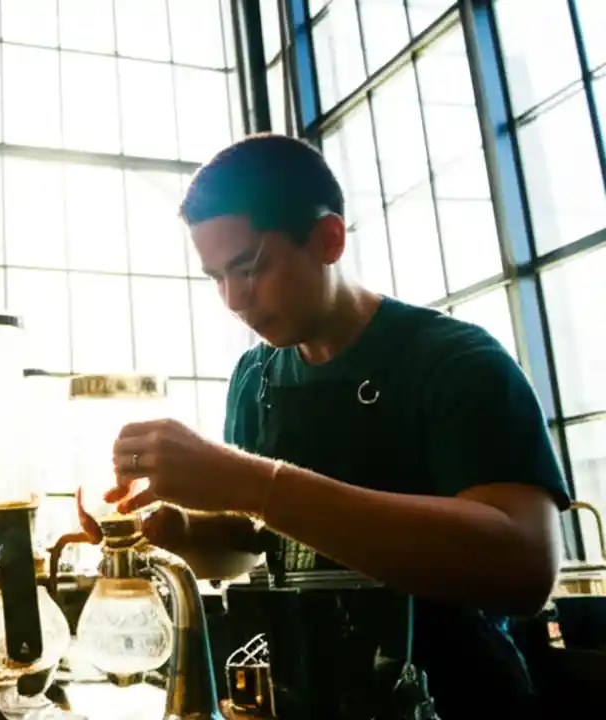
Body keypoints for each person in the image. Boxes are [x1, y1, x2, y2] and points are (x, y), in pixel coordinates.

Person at [77, 134, 569, 718]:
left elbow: (525, 567)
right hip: (305, 692)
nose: (234, 299)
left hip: (455, 695)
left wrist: (248, 482)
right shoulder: (254, 376)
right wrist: (178, 528)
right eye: (215, 277)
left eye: (250, 267)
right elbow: (254, 552)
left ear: (329, 239)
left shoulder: (454, 361)